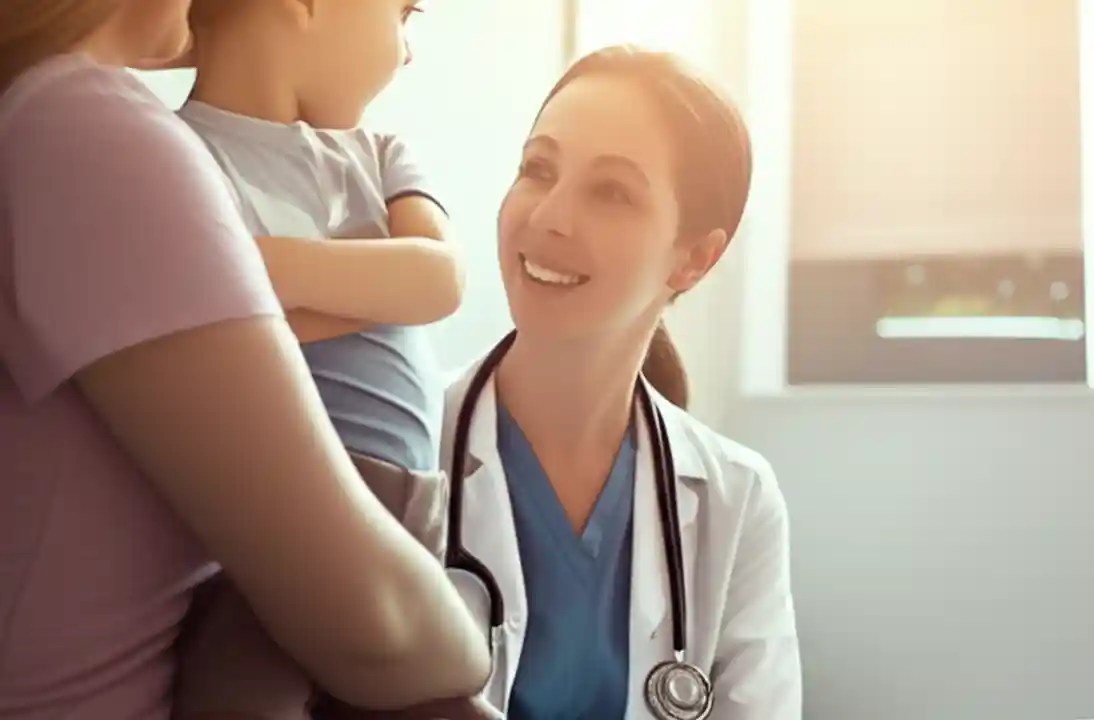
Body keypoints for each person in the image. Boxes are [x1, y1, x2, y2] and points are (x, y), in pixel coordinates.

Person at [0, 2, 488, 718]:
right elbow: (375, 625)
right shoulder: (89, 129)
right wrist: (478, 646)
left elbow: (438, 277)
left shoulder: (41, 119)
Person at [353, 45, 803, 719]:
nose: (549, 217)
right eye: (538, 169)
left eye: (611, 192)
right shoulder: (395, 453)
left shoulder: (735, 502)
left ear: (694, 259)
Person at [168, 1, 491, 717]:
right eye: (403, 13)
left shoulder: (381, 154)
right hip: (273, 517)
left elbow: (438, 279)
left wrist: (261, 266)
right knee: (248, 692)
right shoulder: (172, 162)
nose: (408, 52)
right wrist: (371, 284)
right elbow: (207, 337)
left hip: (411, 514)